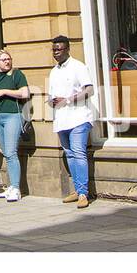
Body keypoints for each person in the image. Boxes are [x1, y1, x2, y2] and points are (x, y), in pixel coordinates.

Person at [47, 35, 96, 208]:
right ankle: (77, 189)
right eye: (53, 50)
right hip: (62, 119)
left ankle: (83, 193)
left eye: (59, 49)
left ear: (67, 49)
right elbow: (51, 95)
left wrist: (68, 99)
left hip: (79, 118)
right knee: (69, 154)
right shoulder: (54, 71)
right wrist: (52, 100)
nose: (56, 53)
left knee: (78, 152)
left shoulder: (78, 67)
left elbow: (89, 90)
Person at [0, 49, 30, 202]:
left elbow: (25, 94)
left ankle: (16, 188)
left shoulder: (17, 75)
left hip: (13, 116)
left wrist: (5, 91)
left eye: (9, 59)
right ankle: (11, 186)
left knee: (11, 152)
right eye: (4, 60)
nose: (7, 61)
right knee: (6, 153)